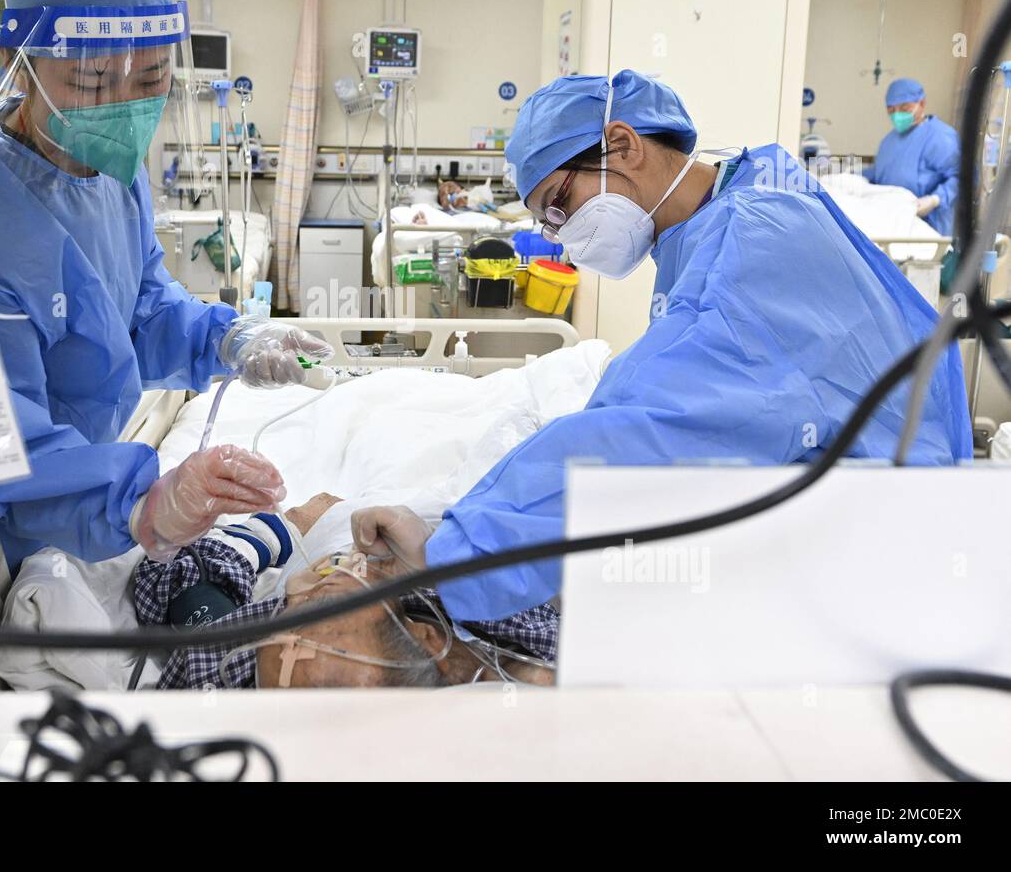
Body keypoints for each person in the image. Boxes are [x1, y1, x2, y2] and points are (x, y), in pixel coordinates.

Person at [354, 70, 972, 623]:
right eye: (547, 222)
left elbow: (659, 424)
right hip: (855, 515)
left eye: (561, 204)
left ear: (622, 145)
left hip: (874, 549)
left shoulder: (756, 238)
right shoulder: (713, 221)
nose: (562, 235)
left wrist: (458, 549)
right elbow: (664, 382)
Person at [0, 0, 329, 585]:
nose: (125, 103)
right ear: (16, 64)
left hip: (70, 526)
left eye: (152, 75)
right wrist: (139, 503)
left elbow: (135, 306)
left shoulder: (108, 167)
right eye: (93, 77)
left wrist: (232, 340)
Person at [133, 494, 556, 688]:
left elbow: (169, 587)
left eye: (296, 609)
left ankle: (278, 529)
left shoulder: (222, 670)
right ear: (427, 634)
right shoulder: (522, 626)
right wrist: (434, 563)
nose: (300, 598)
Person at [863, 77, 960, 235]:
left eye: (904, 108)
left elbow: (962, 177)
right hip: (892, 222)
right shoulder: (889, 141)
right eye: (891, 110)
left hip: (931, 225)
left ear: (921, 104)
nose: (897, 114)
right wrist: (849, 176)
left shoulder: (940, 137)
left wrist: (935, 199)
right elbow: (881, 173)